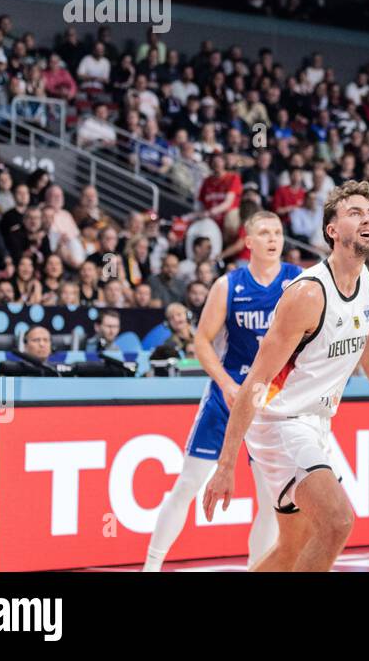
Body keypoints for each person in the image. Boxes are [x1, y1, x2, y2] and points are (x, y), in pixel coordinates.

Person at [203, 181, 369, 571]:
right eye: (355, 213)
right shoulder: (308, 294)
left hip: (315, 422)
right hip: (280, 423)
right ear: (332, 230)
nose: (368, 219)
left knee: (293, 549)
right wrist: (225, 465)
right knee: (337, 521)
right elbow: (256, 382)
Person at [144, 212, 300, 571]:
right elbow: (201, 342)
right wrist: (228, 384)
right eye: (264, 232)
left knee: (270, 499)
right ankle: (151, 566)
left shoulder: (299, 282)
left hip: (273, 401)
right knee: (188, 483)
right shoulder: (228, 285)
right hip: (228, 394)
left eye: (277, 232)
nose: (273, 238)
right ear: (248, 242)